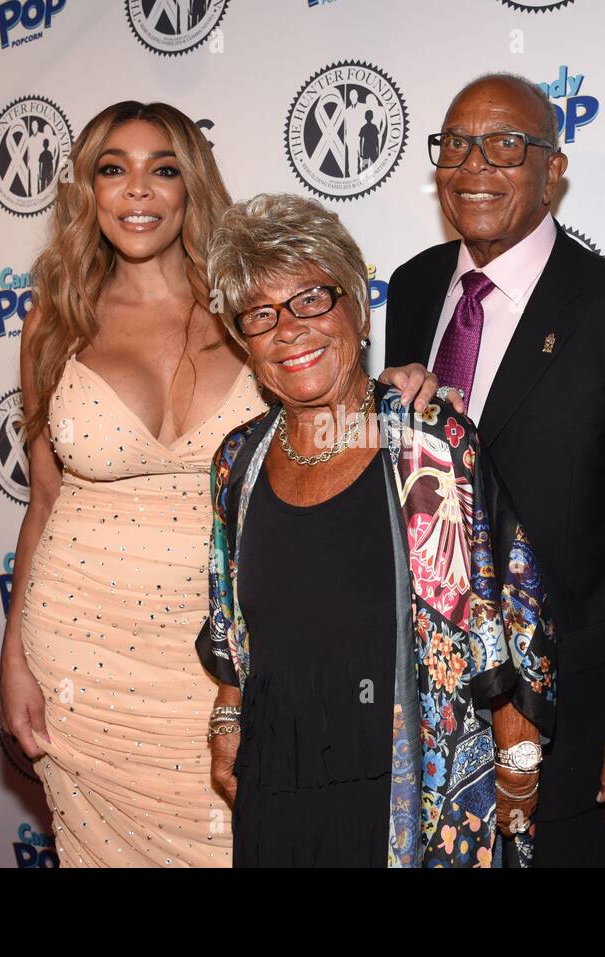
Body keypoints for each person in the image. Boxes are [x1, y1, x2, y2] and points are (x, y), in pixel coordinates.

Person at [0, 101, 442, 867]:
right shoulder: (55, 320)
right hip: (80, 658)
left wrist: (393, 393)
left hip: (220, 664)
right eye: (115, 169)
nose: (138, 191)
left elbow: (325, 401)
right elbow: (41, 501)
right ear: (88, 191)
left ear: (190, 186)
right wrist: (13, 659)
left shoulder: (244, 307)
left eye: (162, 169)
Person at [385, 73, 605, 867]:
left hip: (565, 720)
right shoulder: (416, 285)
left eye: (506, 145)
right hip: (419, 707)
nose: (474, 165)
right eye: (455, 144)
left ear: (553, 171)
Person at [197, 192, 556, 867]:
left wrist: (518, 753)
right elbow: (231, 622)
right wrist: (225, 717)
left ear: (358, 309)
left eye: (311, 299)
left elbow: (502, 604)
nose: (290, 330)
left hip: (408, 780)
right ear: (244, 341)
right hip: (275, 775)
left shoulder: (430, 441)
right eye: (261, 314)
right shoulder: (235, 464)